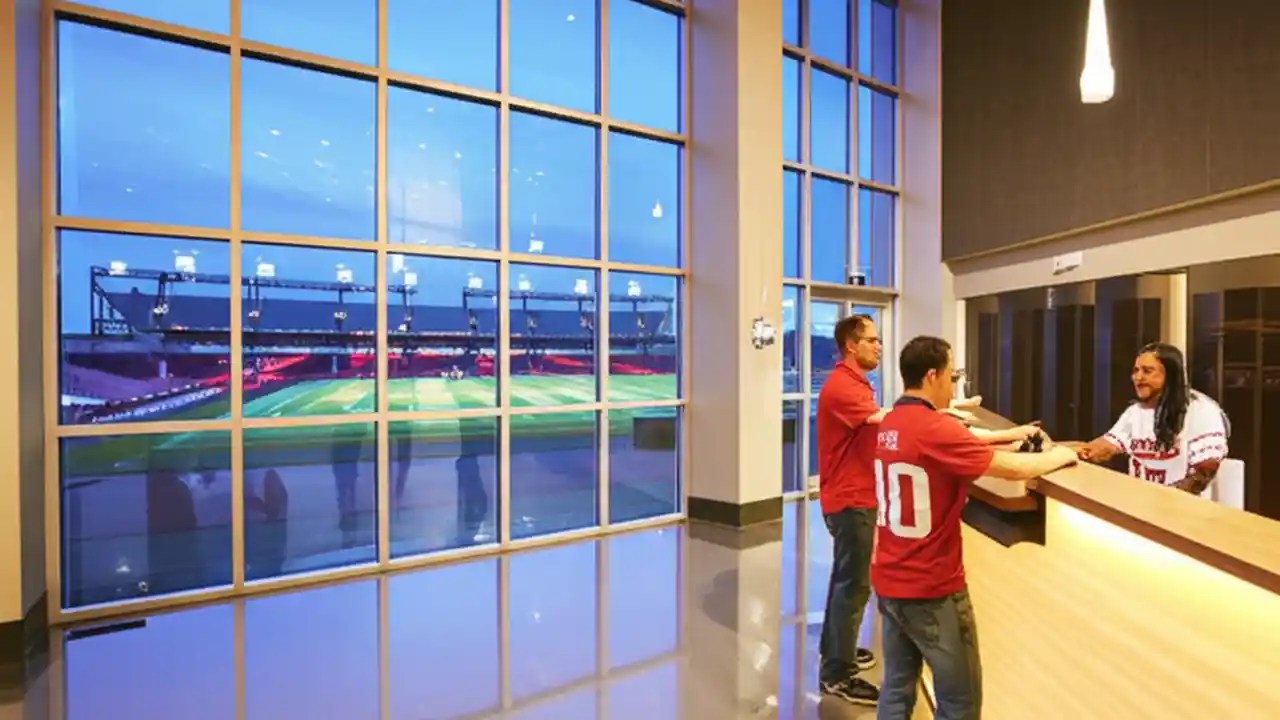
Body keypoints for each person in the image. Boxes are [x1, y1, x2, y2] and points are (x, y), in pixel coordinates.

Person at [872, 336, 1079, 720]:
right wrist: (1063, 455)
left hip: (889, 578)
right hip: (932, 587)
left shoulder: (891, 422)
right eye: (953, 375)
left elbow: (961, 444)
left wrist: (1007, 437)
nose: (954, 385)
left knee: (897, 689)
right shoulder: (935, 428)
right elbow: (1015, 470)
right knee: (960, 703)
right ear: (933, 375)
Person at [815, 314, 884, 706]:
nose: (878, 346)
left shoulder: (857, 384)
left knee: (847, 583)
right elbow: (887, 421)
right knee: (853, 587)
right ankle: (837, 676)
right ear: (851, 345)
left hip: (856, 497)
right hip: (850, 500)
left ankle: (837, 652)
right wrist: (929, 413)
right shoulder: (844, 387)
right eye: (872, 340)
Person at [1077, 342, 1229, 493]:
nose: (1138, 378)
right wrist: (1061, 452)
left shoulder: (1201, 411)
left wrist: (1173, 499)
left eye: (1147, 371)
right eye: (1136, 371)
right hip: (1141, 505)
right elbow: (1103, 449)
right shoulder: (1134, 412)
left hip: (1183, 509)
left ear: (1170, 375)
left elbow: (1205, 469)